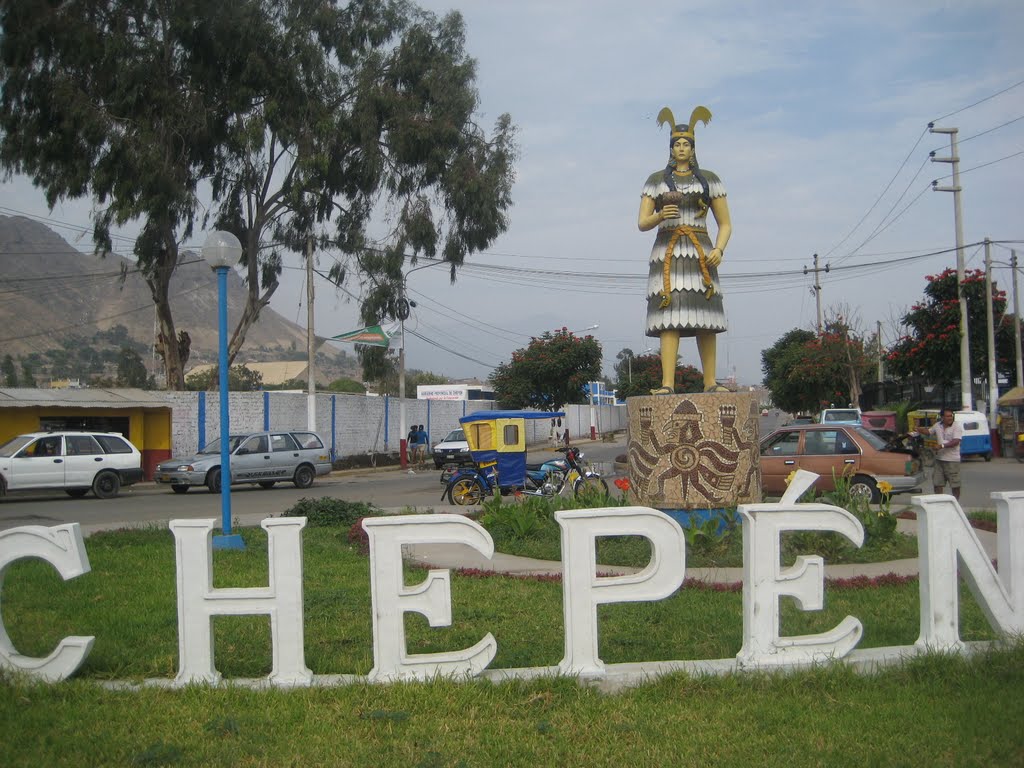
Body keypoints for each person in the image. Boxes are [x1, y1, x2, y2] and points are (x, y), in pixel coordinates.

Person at [638, 105, 732, 394]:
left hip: (701, 252)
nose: (681, 148)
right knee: (669, 318)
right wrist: (659, 216)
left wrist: (719, 248)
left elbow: (726, 223)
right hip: (667, 249)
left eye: (686, 144)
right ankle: (667, 383)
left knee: (705, 318)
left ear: (693, 148)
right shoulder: (656, 180)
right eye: (677, 144)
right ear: (671, 148)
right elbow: (642, 222)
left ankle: (710, 382)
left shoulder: (710, 179)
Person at [915, 408, 963, 499]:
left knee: (955, 484)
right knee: (937, 483)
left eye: (951, 416)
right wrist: (918, 429)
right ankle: (939, 501)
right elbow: (928, 432)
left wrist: (942, 446)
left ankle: (956, 502)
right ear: (942, 417)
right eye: (947, 416)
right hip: (939, 460)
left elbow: (956, 441)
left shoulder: (956, 427)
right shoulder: (937, 425)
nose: (950, 418)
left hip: (952, 460)